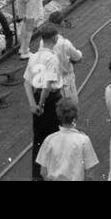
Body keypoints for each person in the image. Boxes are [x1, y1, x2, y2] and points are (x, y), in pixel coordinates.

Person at [24, 23, 64, 180]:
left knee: (38, 140)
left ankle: (36, 176)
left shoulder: (33, 56)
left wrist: (32, 105)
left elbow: (26, 82)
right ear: (54, 38)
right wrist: (41, 104)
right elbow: (48, 85)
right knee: (55, 138)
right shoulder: (52, 58)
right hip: (51, 100)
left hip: (35, 96)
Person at [35, 99, 99, 181]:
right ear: (76, 117)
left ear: (58, 116)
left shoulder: (49, 140)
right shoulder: (84, 140)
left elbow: (43, 171)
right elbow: (89, 174)